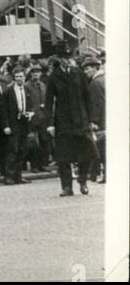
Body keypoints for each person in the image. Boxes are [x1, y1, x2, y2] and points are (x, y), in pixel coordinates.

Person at [46, 49, 96, 197]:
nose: (66, 60)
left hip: (80, 120)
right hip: (62, 122)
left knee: (85, 153)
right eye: (63, 58)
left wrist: (92, 119)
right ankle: (67, 187)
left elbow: (88, 98)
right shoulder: (53, 77)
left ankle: (83, 181)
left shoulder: (79, 74)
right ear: (58, 59)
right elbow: (48, 101)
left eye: (68, 57)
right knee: (63, 157)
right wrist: (50, 123)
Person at [1, 67, 33, 186]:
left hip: (24, 124)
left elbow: (30, 105)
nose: (19, 79)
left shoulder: (27, 89)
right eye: (17, 77)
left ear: (25, 77)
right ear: (14, 78)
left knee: (22, 151)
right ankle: (8, 176)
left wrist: (30, 113)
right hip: (13, 124)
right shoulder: (8, 91)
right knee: (12, 151)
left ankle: (18, 176)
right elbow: (3, 110)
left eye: (21, 76)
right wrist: (6, 126)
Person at [84, 56, 105, 183]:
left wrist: (94, 121)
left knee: (101, 148)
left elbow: (97, 104)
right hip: (106, 119)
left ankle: (103, 174)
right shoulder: (104, 79)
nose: (86, 71)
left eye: (87, 69)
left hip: (101, 122)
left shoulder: (95, 83)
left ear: (95, 68)